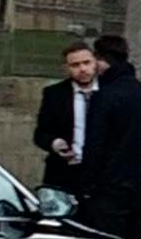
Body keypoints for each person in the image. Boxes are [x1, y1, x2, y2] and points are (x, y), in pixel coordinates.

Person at [81, 32, 141, 239]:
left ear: (102, 62)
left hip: (109, 191)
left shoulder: (104, 97)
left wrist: (86, 187)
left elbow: (94, 145)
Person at [32, 36, 103, 207]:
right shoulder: (54, 94)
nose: (82, 69)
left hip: (100, 174)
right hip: (65, 172)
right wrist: (55, 143)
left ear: (96, 63)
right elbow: (41, 133)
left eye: (87, 63)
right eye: (75, 65)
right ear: (66, 68)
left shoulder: (110, 93)